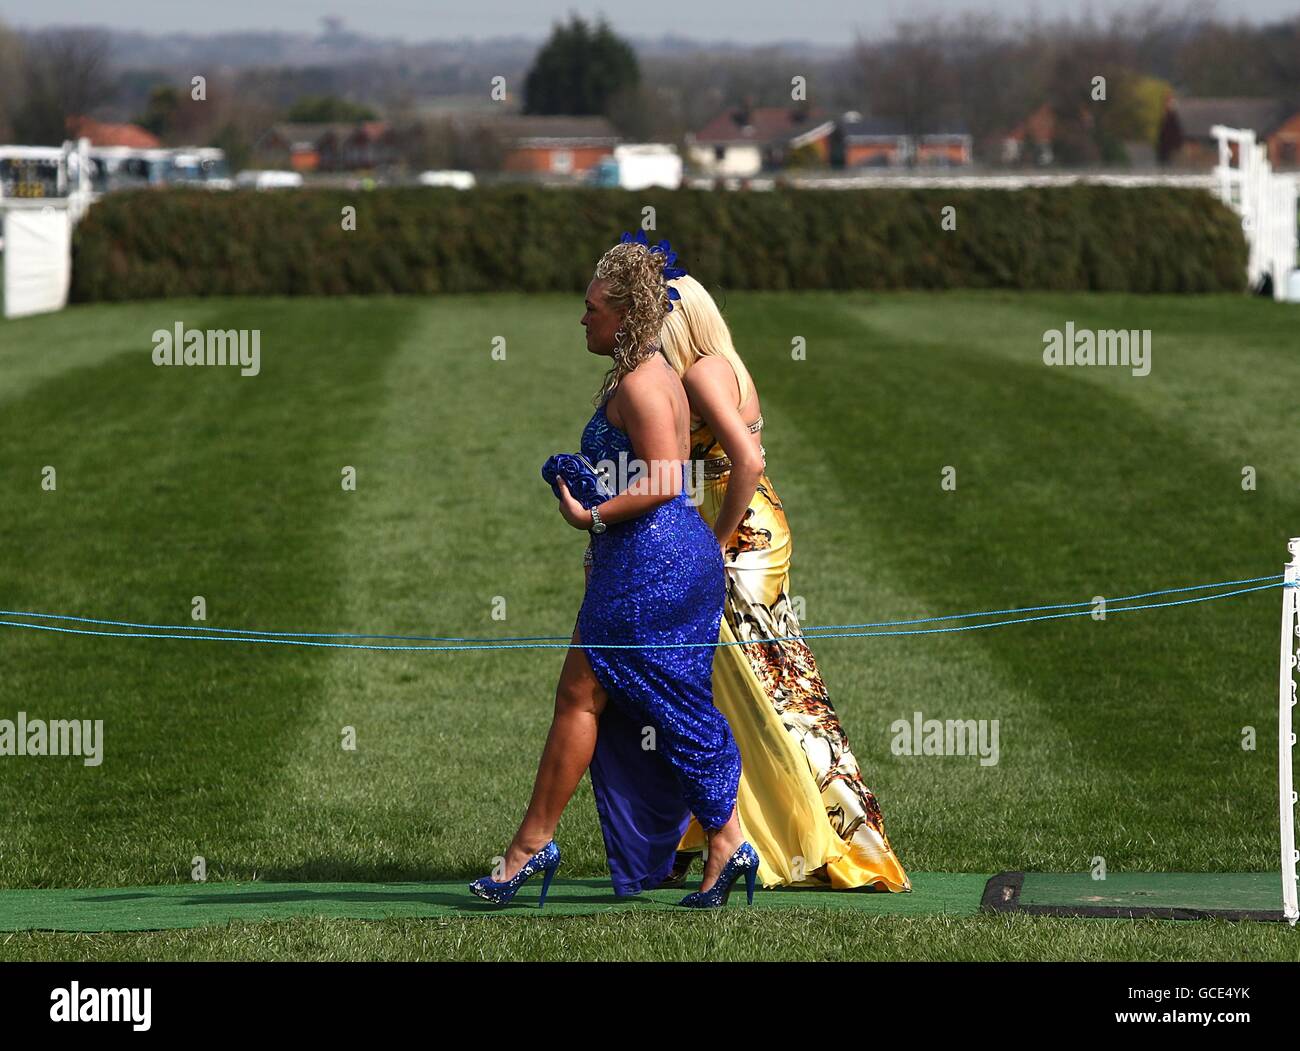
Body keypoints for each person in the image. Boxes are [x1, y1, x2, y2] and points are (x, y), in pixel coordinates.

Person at [469, 233, 760, 909]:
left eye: (594, 308)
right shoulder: (647, 374)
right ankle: (727, 840)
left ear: (626, 315)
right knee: (653, 704)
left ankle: (527, 850)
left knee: (586, 696)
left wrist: (591, 517)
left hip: (651, 565)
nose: (583, 318)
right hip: (655, 560)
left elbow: (663, 477)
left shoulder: (642, 383)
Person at [657, 274, 910, 893]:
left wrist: (714, 542)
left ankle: (833, 837)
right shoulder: (723, 364)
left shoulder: (702, 375)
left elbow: (748, 460)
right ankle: (732, 829)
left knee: (767, 686)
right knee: (746, 685)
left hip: (740, 533)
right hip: (745, 523)